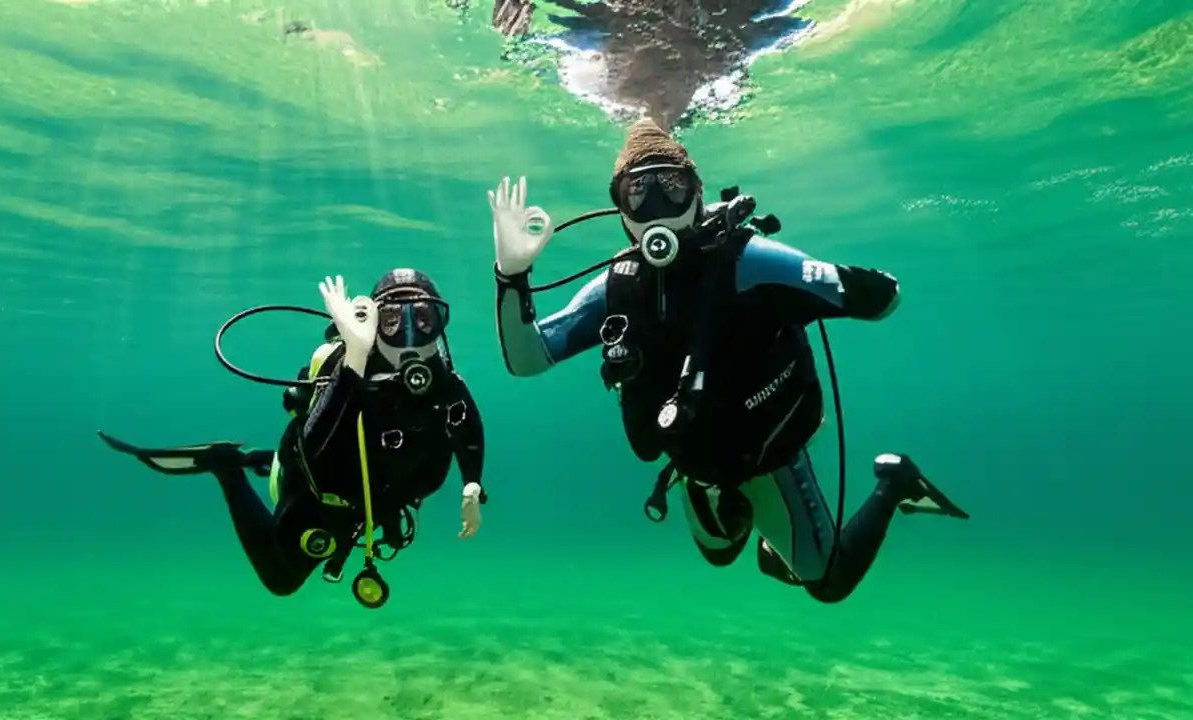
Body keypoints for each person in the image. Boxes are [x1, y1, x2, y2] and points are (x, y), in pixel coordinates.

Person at [487, 119, 968, 604]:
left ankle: (896, 482)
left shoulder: (750, 261)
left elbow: (885, 296)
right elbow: (528, 358)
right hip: (694, 463)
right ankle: (759, 533)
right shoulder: (619, 286)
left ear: (696, 195)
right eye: (638, 193)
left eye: (671, 188)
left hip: (768, 456)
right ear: (620, 210)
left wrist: (815, 281)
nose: (655, 208)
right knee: (718, 555)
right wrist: (510, 275)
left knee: (827, 582)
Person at [100, 269, 487, 607]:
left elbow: (467, 426)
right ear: (373, 323)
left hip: (369, 503)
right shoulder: (351, 367)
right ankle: (228, 466)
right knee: (281, 581)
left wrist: (473, 483)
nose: (408, 336)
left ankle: (258, 459)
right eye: (390, 320)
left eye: (423, 319)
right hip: (321, 492)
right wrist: (354, 356)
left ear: (440, 324)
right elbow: (317, 447)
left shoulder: (443, 383)